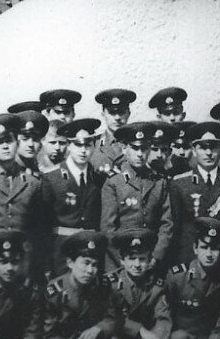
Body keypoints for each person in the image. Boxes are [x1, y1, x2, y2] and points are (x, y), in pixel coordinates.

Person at [0, 114, 50, 282]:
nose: (5, 146)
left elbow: (40, 230)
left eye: (9, 141)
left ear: (17, 142)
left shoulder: (33, 182)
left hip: (25, 262)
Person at [169, 122, 220, 266]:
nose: (209, 153)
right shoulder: (180, 184)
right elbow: (176, 230)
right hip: (191, 260)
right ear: (194, 150)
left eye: (213, 147)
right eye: (203, 147)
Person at [107, 229, 172, 339]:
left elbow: (163, 319)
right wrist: (142, 332)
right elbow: (112, 318)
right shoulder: (110, 284)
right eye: (132, 258)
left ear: (150, 261)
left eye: (142, 259)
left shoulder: (157, 286)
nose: (137, 264)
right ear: (122, 261)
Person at [100, 123, 175, 273]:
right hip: (120, 262)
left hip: (151, 260)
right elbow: (108, 229)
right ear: (124, 149)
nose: (140, 154)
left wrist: (155, 257)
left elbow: (167, 224)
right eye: (135, 148)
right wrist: (124, 261)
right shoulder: (114, 183)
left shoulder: (159, 182)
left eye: (144, 148)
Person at [39, 119, 108, 275]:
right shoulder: (52, 179)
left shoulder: (98, 179)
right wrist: (46, 265)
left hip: (90, 253)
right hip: (61, 253)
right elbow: (43, 227)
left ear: (94, 145)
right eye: (77, 145)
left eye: (87, 145)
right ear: (69, 145)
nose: (83, 151)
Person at [91, 88, 136, 170]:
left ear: (128, 113)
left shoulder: (138, 145)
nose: (117, 117)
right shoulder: (93, 144)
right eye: (112, 112)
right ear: (103, 114)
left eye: (121, 112)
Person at [13, 111, 48, 177]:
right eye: (25, 139)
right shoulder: (8, 175)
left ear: (40, 144)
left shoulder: (43, 173)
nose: (31, 144)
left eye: (35, 139)